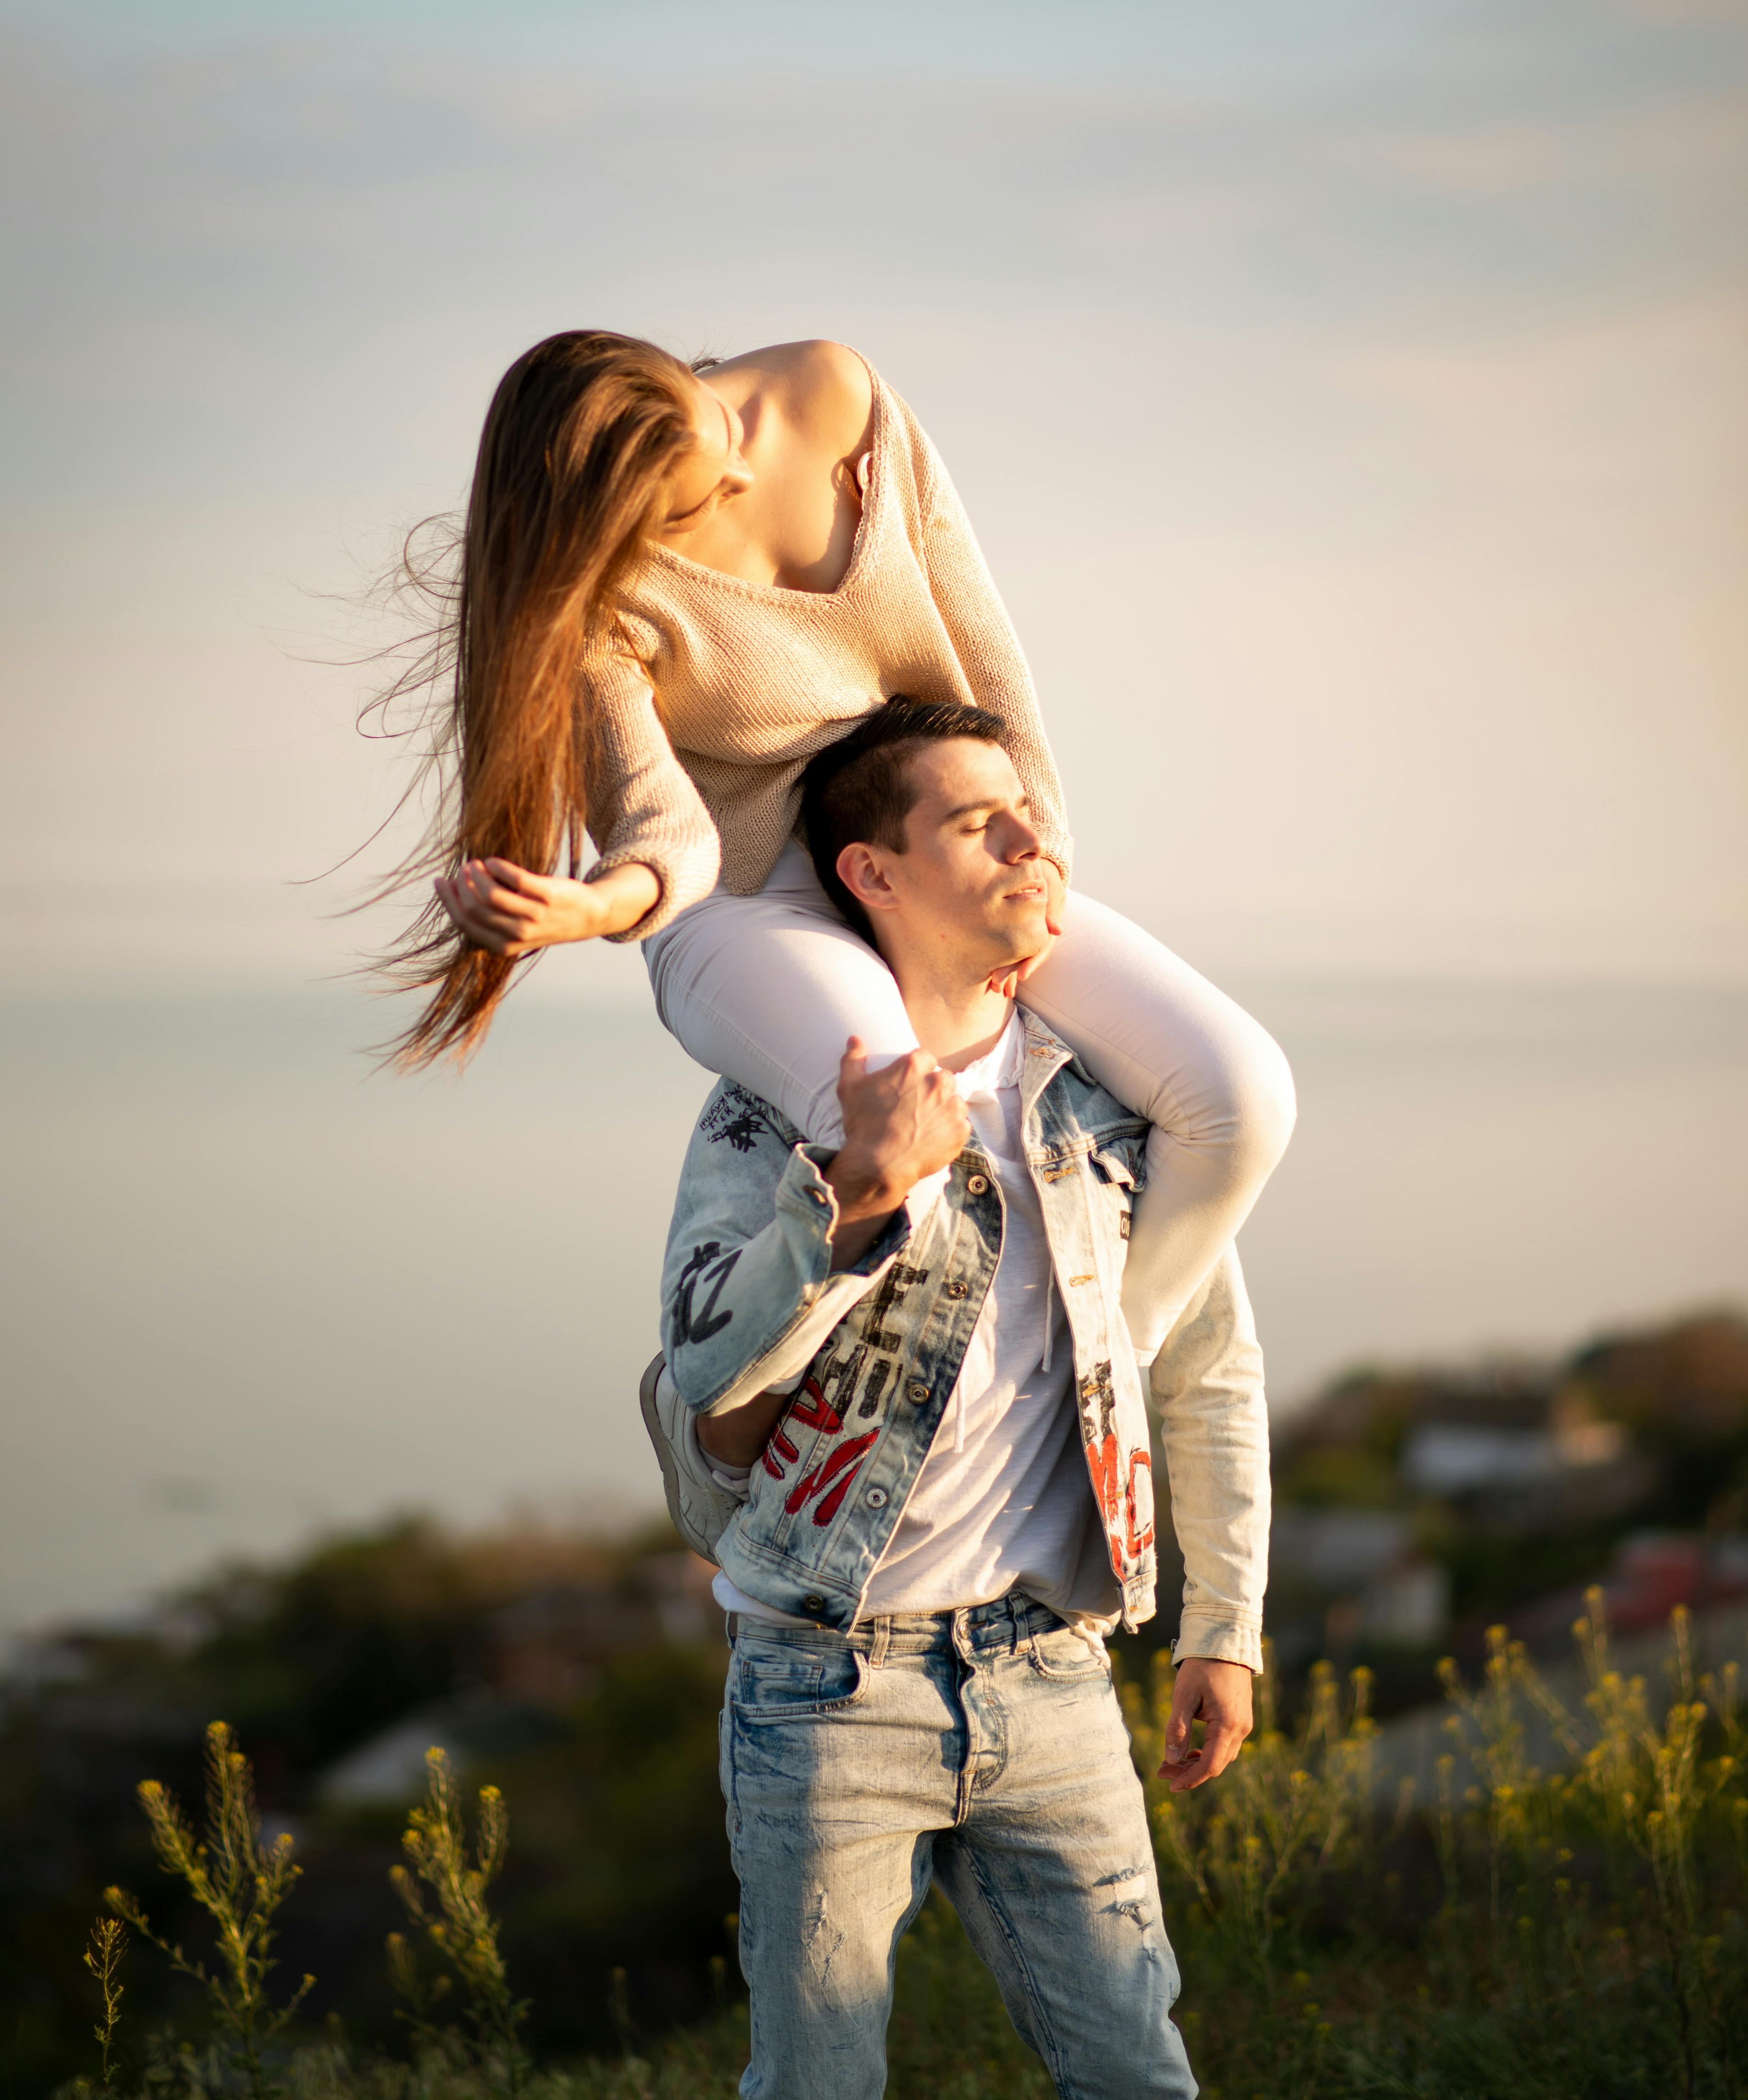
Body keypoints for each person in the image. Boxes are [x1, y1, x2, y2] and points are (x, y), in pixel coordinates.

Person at [394, 330, 1294, 1359]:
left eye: (718, 422)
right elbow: (666, 825)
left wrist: (1037, 858)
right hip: (747, 894)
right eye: (696, 498)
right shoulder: (597, 602)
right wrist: (593, 907)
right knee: (901, 1122)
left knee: (1238, 1092)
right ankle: (773, 1441)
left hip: (933, 849)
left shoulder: (835, 394)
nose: (739, 469)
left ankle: (1113, 1360)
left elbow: (985, 650)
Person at [641, 697, 1269, 2100]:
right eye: (980, 823)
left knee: (1142, 2081)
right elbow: (704, 1382)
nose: (1035, 843)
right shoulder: (770, 1111)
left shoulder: (1109, 1108)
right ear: (873, 872)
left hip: (1054, 1670)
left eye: (1029, 814)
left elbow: (1208, 1366)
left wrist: (1225, 1629)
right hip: (827, 1686)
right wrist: (850, 1203)